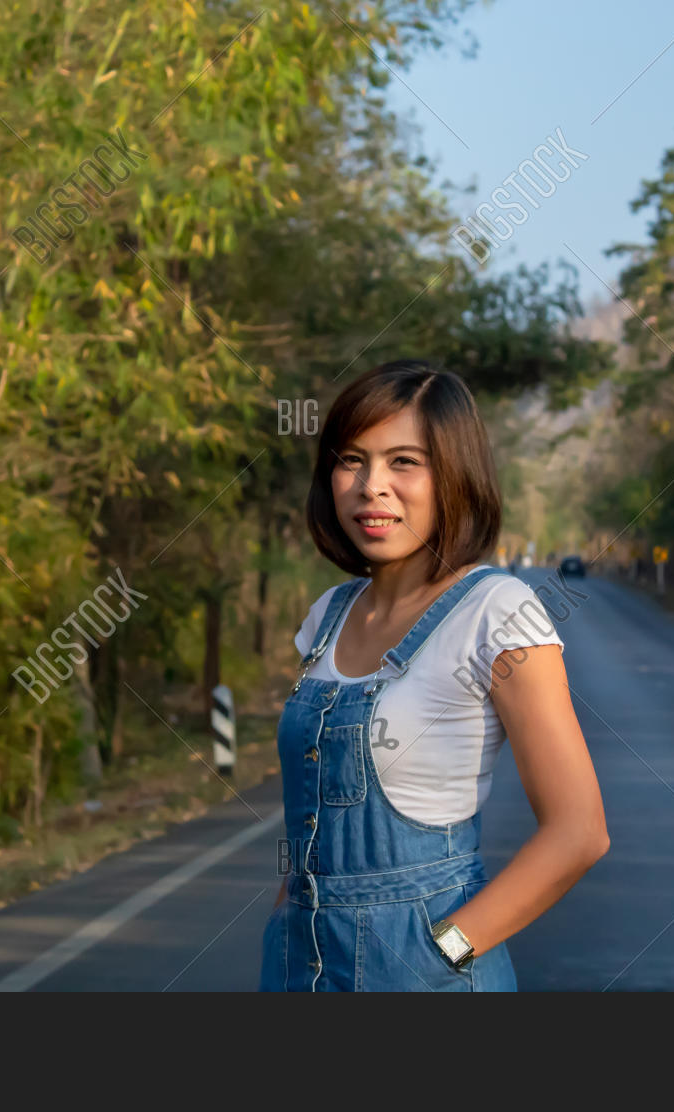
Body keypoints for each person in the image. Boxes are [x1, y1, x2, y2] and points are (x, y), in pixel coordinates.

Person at [258, 360, 609, 991]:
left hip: (421, 973)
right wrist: (291, 912)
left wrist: (446, 947)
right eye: (351, 460)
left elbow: (578, 832)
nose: (372, 487)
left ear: (453, 474)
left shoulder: (496, 613)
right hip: (298, 968)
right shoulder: (326, 617)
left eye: (404, 462)